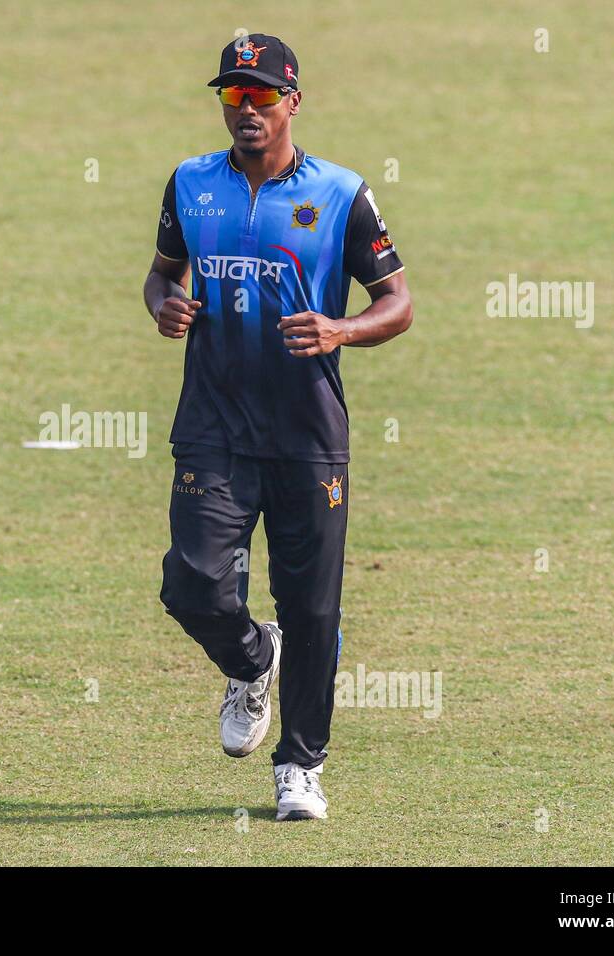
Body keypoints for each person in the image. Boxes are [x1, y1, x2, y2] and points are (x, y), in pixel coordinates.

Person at [142, 33, 413, 820]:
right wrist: (166, 304)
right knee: (190, 583)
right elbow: (163, 274)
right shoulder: (191, 184)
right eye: (233, 95)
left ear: (293, 101)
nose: (247, 110)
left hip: (307, 434)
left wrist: (341, 330)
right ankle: (251, 659)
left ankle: (301, 768)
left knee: (315, 611)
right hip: (214, 427)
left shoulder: (341, 194)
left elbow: (397, 303)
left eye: (261, 96)